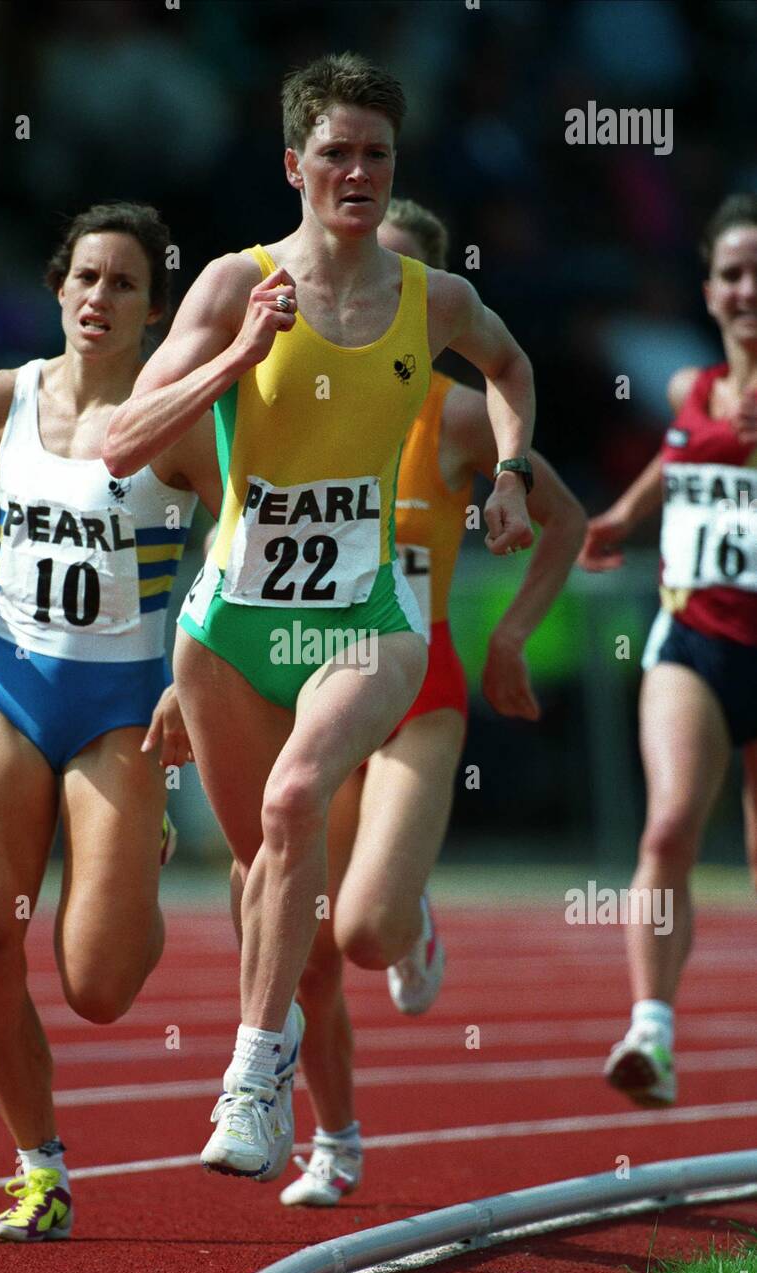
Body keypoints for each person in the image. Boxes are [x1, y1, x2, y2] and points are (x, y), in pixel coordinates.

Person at [104, 52, 536, 1181]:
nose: (356, 171)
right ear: (294, 165)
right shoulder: (229, 288)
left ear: (393, 171)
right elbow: (120, 440)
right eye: (335, 153)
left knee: (300, 794)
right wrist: (240, 355)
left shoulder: (429, 299)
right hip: (231, 625)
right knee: (267, 883)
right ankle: (325, 1113)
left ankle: (251, 1086)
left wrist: (508, 469)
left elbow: (507, 363)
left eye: (375, 155)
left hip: (365, 616)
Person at [0, 202, 219, 1239]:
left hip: (123, 704)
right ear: (57, 287)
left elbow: (235, 540)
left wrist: (190, 671)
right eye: (85, 277)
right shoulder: (2, 396)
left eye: (124, 284)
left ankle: (139, 858)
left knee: (99, 986)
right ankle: (40, 1170)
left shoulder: (175, 418)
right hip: (7, 681)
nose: (98, 298)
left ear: (156, 309)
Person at [277, 198, 586, 1204]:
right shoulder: (295, 390)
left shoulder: (455, 412)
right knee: (307, 949)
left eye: (397, 275)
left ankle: (409, 915)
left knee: (363, 932)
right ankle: (335, 1140)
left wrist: (506, 636)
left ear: (432, 302)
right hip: (313, 676)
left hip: (420, 682)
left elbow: (566, 521)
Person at [578, 193, 757, 1107]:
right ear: (710, 288)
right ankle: (651, 1027)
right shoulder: (692, 387)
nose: (746, 289)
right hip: (694, 637)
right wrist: (620, 516)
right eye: (732, 273)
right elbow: (678, 456)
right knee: (667, 825)